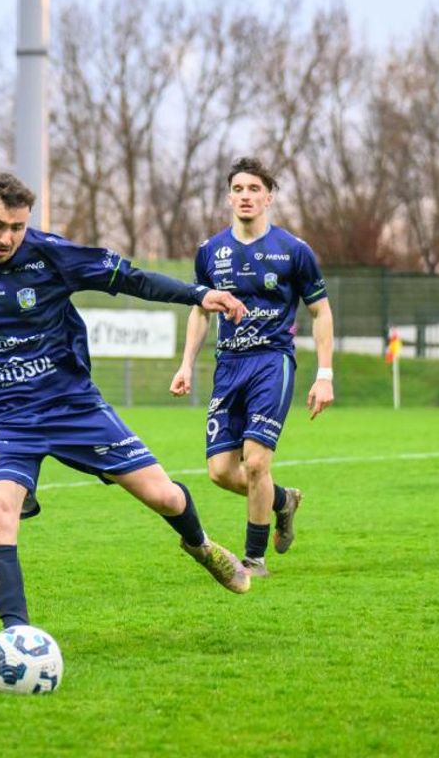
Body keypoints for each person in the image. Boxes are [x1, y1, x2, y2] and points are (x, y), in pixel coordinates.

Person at [0, 171, 254, 631]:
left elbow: (129, 279)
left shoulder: (50, 253)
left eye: (16, 228)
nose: (6, 238)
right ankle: (19, 636)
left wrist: (200, 292)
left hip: (72, 406)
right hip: (3, 418)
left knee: (166, 497)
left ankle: (199, 544)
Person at [169, 157, 334, 577]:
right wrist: (186, 364)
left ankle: (254, 559)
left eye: (254, 189)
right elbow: (200, 312)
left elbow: (321, 312)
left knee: (257, 463)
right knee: (221, 472)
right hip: (228, 366)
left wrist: (324, 375)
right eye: (239, 189)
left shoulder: (294, 251)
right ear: (229, 196)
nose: (246, 196)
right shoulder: (210, 252)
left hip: (271, 363)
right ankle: (283, 501)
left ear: (269, 197)